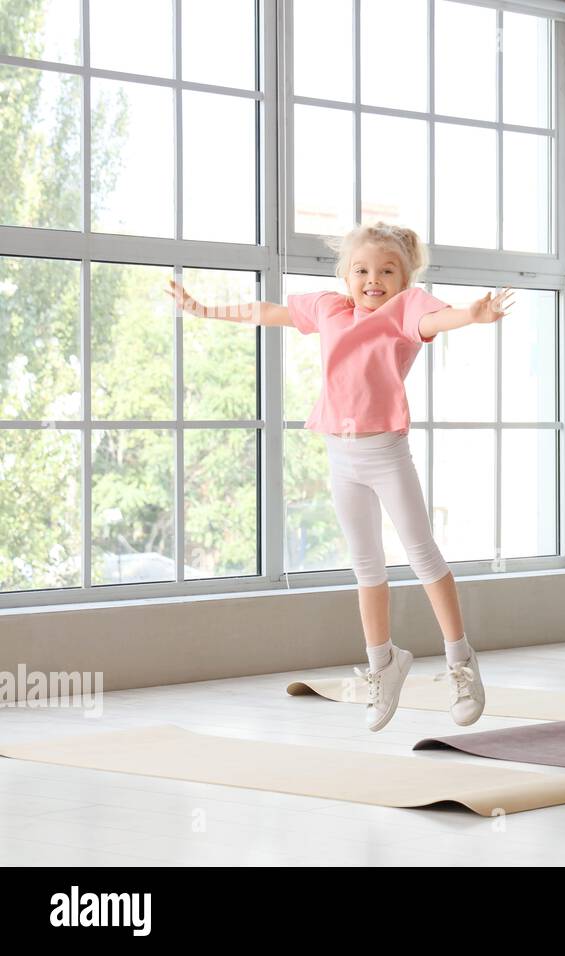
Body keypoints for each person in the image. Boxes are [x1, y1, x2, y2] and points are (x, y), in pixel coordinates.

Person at [166, 222, 513, 731]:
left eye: (387, 271)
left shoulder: (406, 309)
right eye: (362, 270)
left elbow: (438, 318)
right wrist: (204, 309)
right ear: (345, 275)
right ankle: (383, 663)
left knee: (422, 555)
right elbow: (268, 312)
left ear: (404, 279)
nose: (374, 280)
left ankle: (461, 659)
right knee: (365, 565)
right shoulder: (329, 308)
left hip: (385, 453)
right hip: (340, 455)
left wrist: (472, 316)